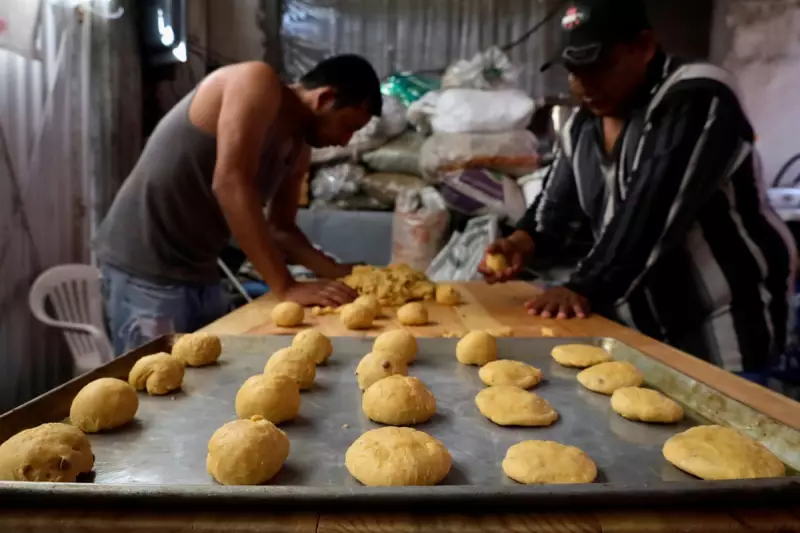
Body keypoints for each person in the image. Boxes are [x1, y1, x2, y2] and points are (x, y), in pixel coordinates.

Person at [479, 0, 796, 374]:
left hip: (723, 324)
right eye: (574, 71)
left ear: (644, 47)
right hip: (641, 324)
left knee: (725, 428)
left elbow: (652, 209)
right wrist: (522, 242)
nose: (584, 85)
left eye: (599, 67)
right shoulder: (583, 125)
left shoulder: (696, 96)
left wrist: (585, 285)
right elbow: (555, 211)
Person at [95, 55, 382, 354]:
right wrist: (286, 286)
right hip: (146, 269)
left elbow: (281, 229)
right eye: (347, 126)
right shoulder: (255, 81)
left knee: (200, 381)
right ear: (324, 98)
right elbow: (230, 182)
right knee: (152, 385)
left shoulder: (298, 149)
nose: (346, 141)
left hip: (200, 270)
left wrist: (341, 275)